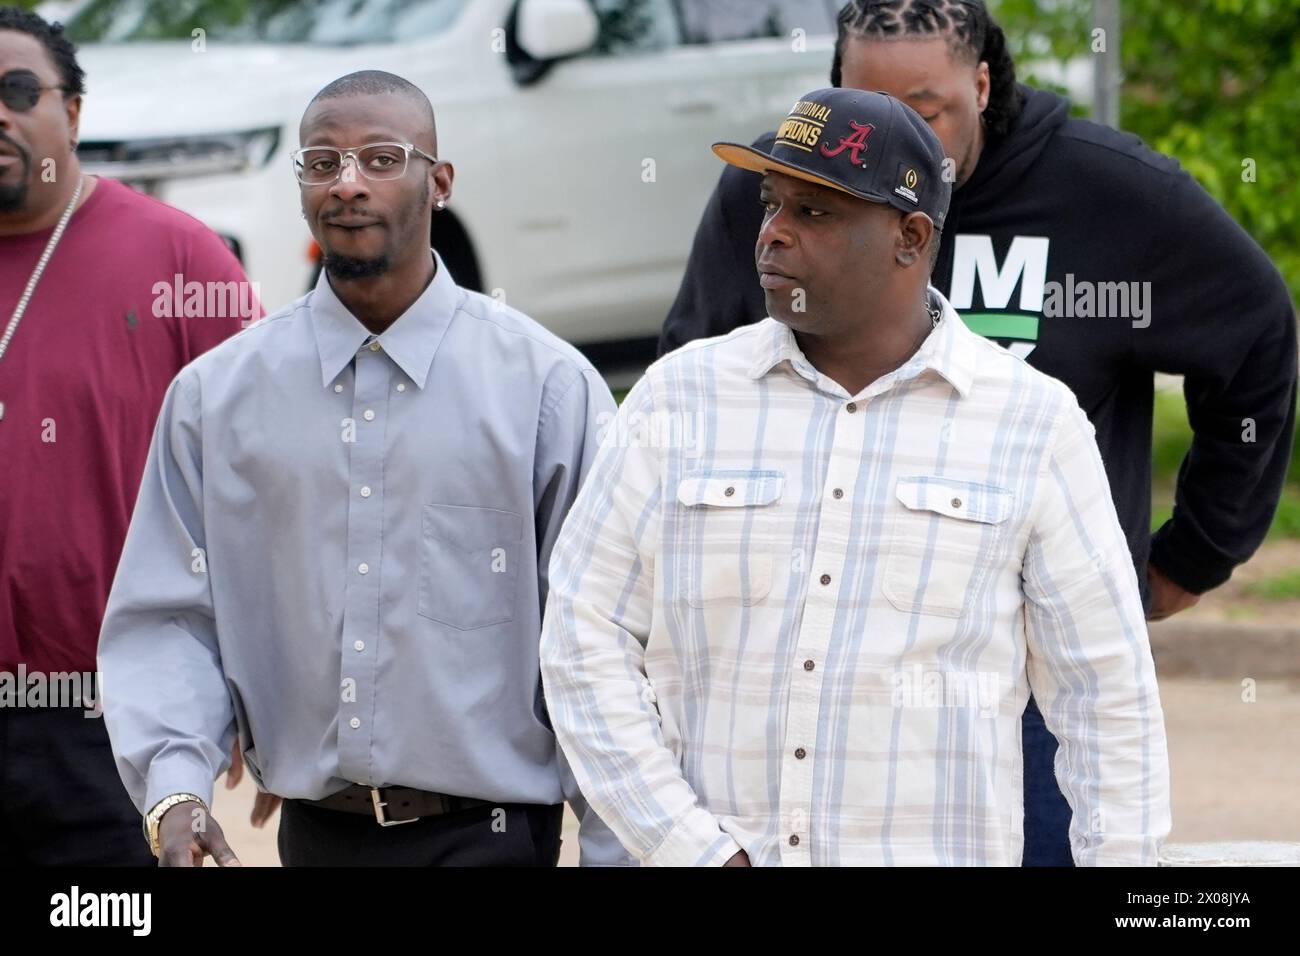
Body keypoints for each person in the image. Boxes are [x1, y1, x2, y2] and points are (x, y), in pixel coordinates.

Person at [658, 0, 1296, 865]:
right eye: (860, 100)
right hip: (803, 659)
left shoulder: (1113, 197)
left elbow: (1258, 333)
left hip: (1025, 675)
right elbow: (698, 391)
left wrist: (1191, 557)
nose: (886, 134)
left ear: (982, 84)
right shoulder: (776, 195)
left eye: (924, 110)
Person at [541, 88, 1170, 867]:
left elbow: (1107, 700)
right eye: (772, 204)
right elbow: (581, 635)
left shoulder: (1032, 427)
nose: (772, 235)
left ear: (910, 237)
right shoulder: (678, 399)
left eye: (816, 213)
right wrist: (691, 848)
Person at [98, 71, 629, 867]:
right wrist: (177, 786)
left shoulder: (547, 389)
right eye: (322, 162)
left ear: (439, 181)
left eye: (382, 158)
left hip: (492, 839)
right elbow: (169, 613)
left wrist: (611, 846)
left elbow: (602, 638)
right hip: (314, 838)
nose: (348, 183)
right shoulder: (216, 398)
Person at [0, 7, 256, 866]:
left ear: (71, 113)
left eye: (18, 90)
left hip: (109, 720)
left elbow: (267, 477)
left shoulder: (178, 259)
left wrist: (249, 686)